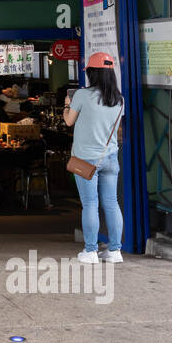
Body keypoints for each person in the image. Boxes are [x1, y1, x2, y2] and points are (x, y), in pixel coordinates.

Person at [64, 52, 126, 264]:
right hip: (110, 158)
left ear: (92, 73)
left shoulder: (82, 95)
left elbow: (69, 122)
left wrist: (66, 104)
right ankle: (115, 251)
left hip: (86, 159)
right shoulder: (119, 99)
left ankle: (90, 251)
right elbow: (114, 129)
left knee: (90, 204)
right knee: (111, 203)